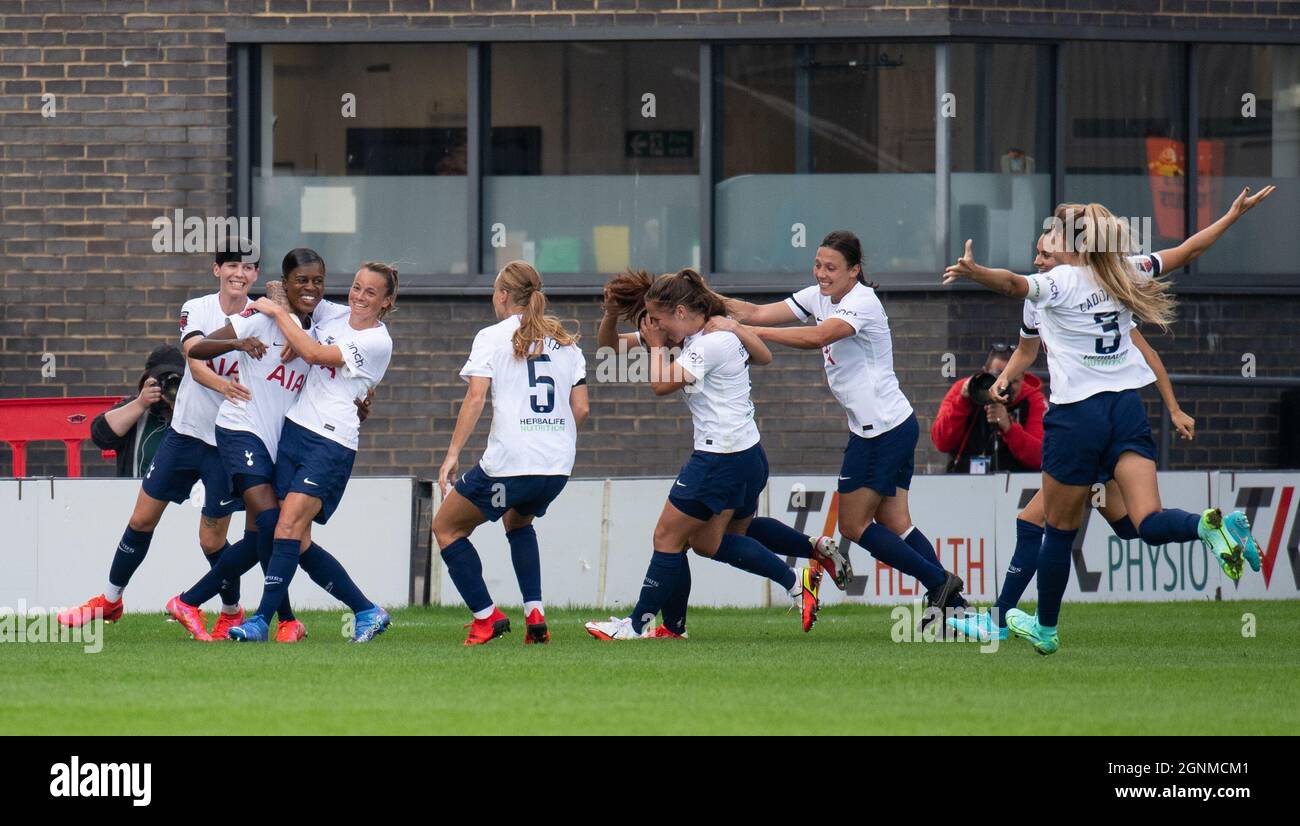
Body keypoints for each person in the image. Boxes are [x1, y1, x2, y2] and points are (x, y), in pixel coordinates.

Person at [950, 186, 1275, 643]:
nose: (1039, 256)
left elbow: (1009, 283)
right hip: (1125, 411)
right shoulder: (1126, 272)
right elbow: (1187, 251)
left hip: (1078, 419)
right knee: (1145, 522)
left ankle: (1039, 628)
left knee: (1056, 529)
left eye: (1047, 246)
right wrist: (1232, 216)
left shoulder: (1056, 284)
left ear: (1070, 248)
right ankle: (1207, 525)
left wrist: (974, 271)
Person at [723, 231, 965, 625]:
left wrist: (747, 334)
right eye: (818, 265)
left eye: (831, 267)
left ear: (854, 271)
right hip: (890, 425)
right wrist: (703, 300)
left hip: (881, 431)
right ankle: (955, 610)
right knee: (896, 523)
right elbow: (755, 312)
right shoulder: (820, 295)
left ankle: (939, 581)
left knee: (853, 525)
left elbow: (817, 335)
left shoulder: (861, 302)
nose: (821, 273)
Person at [584, 268, 822, 641]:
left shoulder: (710, 342)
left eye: (659, 320)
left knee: (666, 536)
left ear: (680, 312)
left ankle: (635, 625)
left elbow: (661, 385)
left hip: (720, 458)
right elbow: (610, 347)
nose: (654, 328)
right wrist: (613, 314)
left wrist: (660, 345)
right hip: (744, 455)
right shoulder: (698, 334)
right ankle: (791, 582)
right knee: (707, 543)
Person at [57, 246, 258, 630]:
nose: (239, 273)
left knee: (212, 541)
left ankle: (232, 613)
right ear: (217, 268)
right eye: (232, 265)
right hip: (184, 435)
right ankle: (111, 601)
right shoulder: (196, 308)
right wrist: (226, 383)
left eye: (247, 267)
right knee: (142, 518)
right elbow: (194, 358)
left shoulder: (262, 315)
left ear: (254, 275)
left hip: (228, 441)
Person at [164, 249, 358, 642]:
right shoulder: (259, 316)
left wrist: (360, 403)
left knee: (262, 536)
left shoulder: (315, 331)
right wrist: (239, 342)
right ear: (285, 284)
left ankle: (266, 617)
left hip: (277, 443)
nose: (310, 288)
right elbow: (196, 349)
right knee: (272, 524)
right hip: (239, 430)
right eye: (300, 281)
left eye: (317, 281)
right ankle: (203, 603)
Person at [225, 262, 398, 643]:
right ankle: (367, 610)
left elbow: (316, 354)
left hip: (331, 442)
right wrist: (279, 305)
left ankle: (260, 621)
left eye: (371, 292)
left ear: (386, 302)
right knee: (297, 542)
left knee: (285, 526)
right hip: (295, 430)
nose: (359, 297)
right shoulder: (334, 312)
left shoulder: (378, 341)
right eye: (356, 287)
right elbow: (286, 290)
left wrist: (275, 314)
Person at [433, 261, 587, 646]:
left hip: (511, 465)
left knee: (447, 527)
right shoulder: (567, 342)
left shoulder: (492, 336)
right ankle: (535, 616)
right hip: (556, 467)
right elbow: (580, 409)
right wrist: (555, 441)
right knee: (518, 523)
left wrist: (452, 455)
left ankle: (486, 618)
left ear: (503, 295)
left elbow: (476, 397)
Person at [931, 342, 1046, 473]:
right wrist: (962, 402)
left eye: (1013, 381)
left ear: (1023, 378)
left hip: (1016, 483)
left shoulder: (1033, 400)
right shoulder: (966, 390)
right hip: (966, 480)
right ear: (984, 373)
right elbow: (941, 442)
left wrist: (1009, 428)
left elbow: (1041, 457)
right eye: (997, 378)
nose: (1003, 387)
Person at [91, 345, 186, 478]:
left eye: (174, 381)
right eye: (161, 380)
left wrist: (181, 406)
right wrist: (141, 403)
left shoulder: (193, 410)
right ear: (147, 380)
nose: (168, 387)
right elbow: (100, 436)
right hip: (136, 493)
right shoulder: (136, 409)